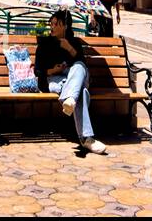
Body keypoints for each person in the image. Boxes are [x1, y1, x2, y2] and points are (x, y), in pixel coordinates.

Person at [35, 9, 106, 154]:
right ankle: (87, 139)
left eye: (57, 24)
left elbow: (82, 65)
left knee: (79, 66)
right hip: (56, 79)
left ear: (65, 26)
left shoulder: (73, 42)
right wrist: (53, 70)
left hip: (75, 78)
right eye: (51, 24)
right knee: (82, 92)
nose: (52, 27)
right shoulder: (44, 43)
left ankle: (70, 98)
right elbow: (38, 71)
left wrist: (70, 49)